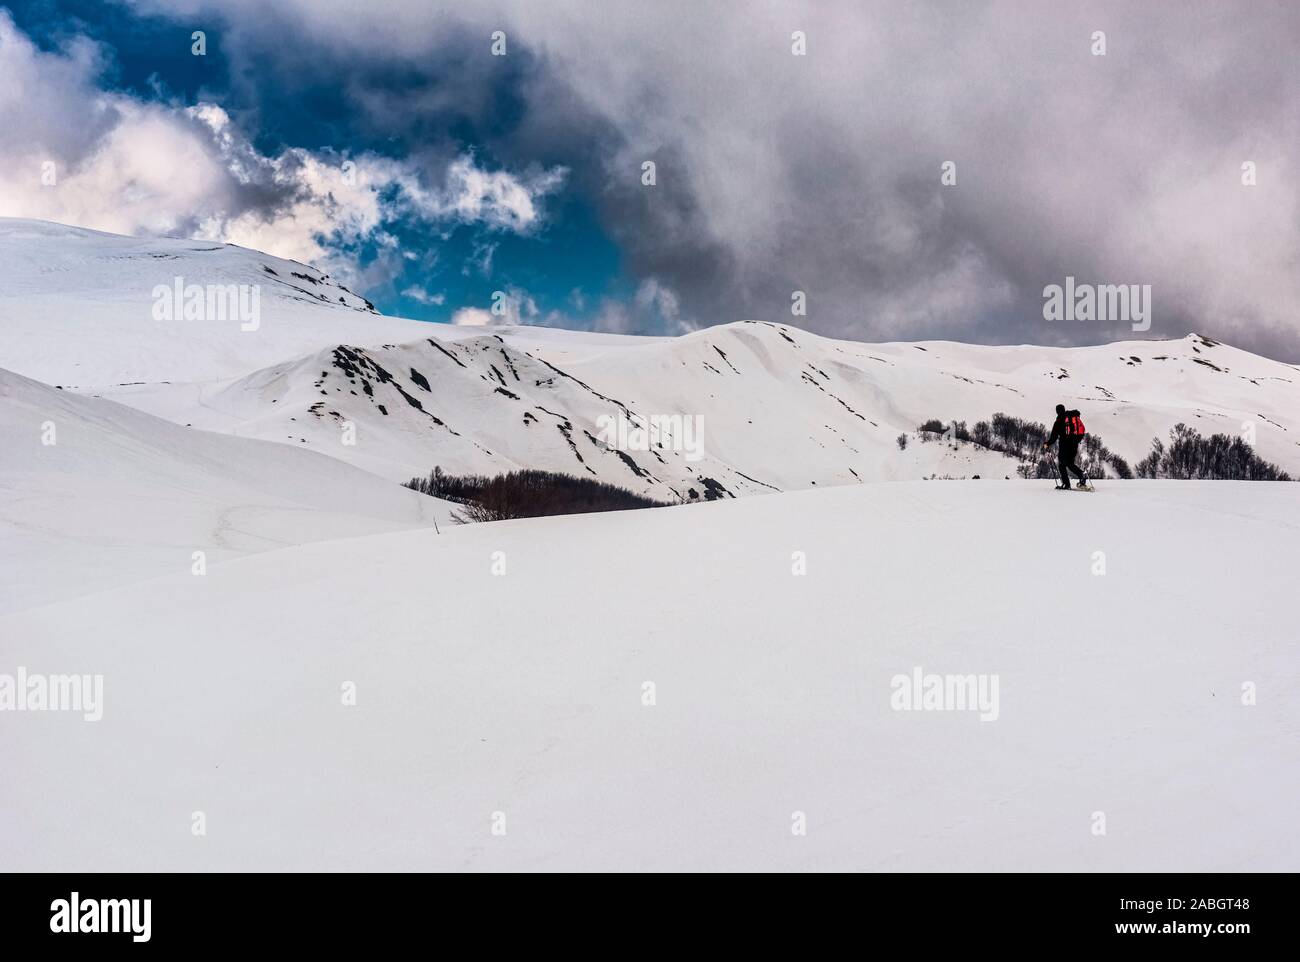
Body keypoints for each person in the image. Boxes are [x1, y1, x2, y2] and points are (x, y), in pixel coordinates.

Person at [1043, 404, 1089, 489]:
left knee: (1062, 464)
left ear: (1057, 411)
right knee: (1070, 463)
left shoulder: (1059, 420)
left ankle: (1067, 484)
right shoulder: (1072, 417)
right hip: (1074, 444)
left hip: (1064, 445)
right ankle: (1081, 475)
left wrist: (1047, 443)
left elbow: (1054, 436)